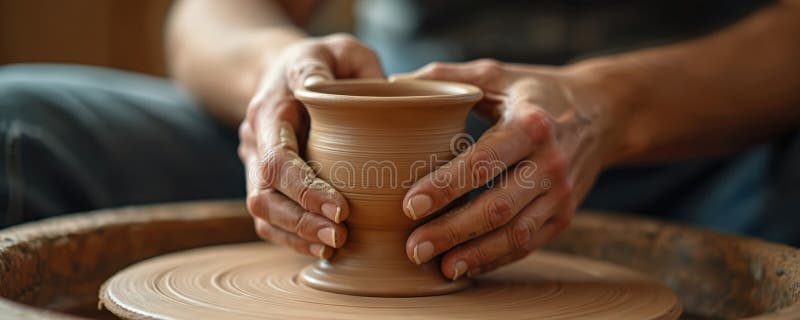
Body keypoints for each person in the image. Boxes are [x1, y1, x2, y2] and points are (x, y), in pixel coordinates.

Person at [1, 0, 799, 281]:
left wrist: (615, 106)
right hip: (351, 162)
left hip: (695, 150)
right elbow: (214, 11)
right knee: (15, 122)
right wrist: (271, 74)